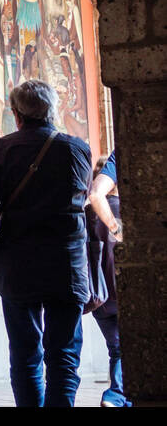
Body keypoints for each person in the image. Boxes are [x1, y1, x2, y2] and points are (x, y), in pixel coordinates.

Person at [0, 80, 92, 407]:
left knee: (25, 354)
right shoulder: (77, 149)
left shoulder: (0, 150)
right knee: (64, 355)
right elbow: (82, 202)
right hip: (66, 265)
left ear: (15, 113)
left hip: (18, 265)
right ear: (53, 110)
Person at [87, 151, 130, 406]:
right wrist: (118, 231)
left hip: (100, 293)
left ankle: (117, 396)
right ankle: (116, 395)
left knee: (117, 348)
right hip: (125, 289)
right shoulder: (128, 211)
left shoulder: (88, 214)